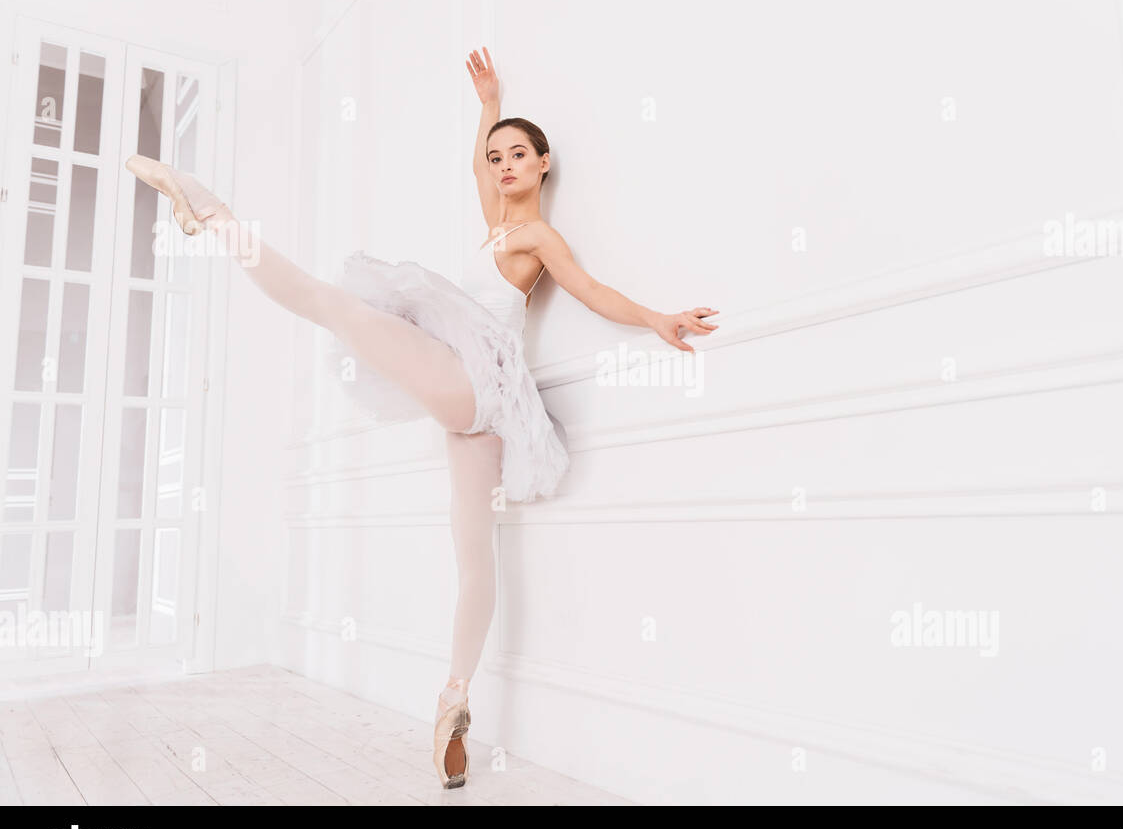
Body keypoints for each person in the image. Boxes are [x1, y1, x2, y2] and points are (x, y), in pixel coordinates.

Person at [123, 45, 720, 789]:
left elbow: (593, 290)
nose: (502, 165)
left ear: (543, 165)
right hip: (480, 412)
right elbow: (475, 168)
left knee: (329, 303)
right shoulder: (492, 224)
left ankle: (207, 208)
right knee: (475, 560)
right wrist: (487, 105)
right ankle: (453, 701)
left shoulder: (535, 237)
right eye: (498, 156)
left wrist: (658, 317)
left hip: (476, 379)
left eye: (517, 156)